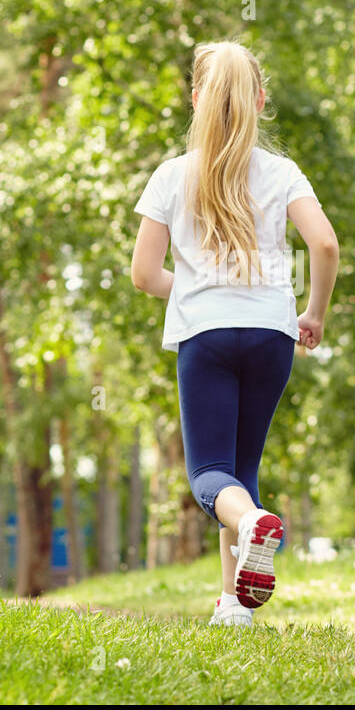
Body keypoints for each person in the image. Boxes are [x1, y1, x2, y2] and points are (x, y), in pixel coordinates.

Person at [131, 40, 339, 627]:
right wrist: (314, 311)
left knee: (207, 474)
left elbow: (144, 274)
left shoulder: (172, 175)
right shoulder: (282, 172)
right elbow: (324, 244)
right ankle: (234, 605)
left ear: (197, 99)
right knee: (240, 470)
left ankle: (250, 527)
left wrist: (198, 288)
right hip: (273, 333)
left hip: (207, 335)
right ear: (260, 101)